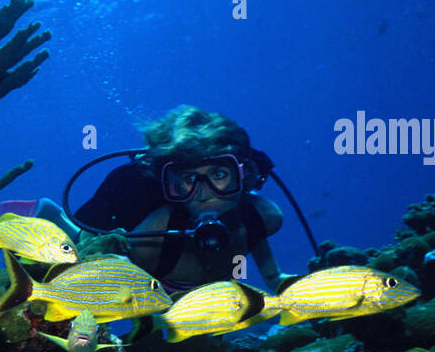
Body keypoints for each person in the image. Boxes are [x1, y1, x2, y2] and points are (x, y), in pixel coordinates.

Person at [40, 105, 289, 294]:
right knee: (76, 243)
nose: (204, 193)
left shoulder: (263, 217)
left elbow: (265, 260)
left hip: (189, 302)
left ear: (244, 176)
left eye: (219, 174)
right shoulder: (154, 235)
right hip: (152, 282)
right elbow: (112, 281)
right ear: (173, 183)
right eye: (190, 178)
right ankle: (53, 219)